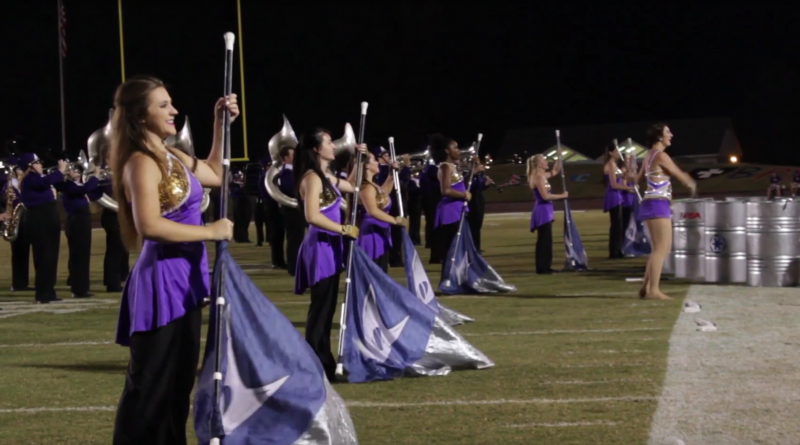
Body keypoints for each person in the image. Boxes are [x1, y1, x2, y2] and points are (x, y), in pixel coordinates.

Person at [110, 75, 235, 445]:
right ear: (139, 115)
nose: (173, 111)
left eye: (171, 103)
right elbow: (148, 225)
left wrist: (220, 124)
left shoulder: (172, 155)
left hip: (186, 280)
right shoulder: (140, 162)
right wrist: (211, 232)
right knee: (152, 390)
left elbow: (215, 173)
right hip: (161, 282)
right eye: (163, 105)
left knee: (178, 388)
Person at [293, 128, 362, 382]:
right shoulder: (312, 178)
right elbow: (312, 216)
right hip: (320, 247)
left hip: (330, 246)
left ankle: (323, 362)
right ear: (316, 149)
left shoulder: (327, 176)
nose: (334, 146)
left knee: (327, 307)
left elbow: (353, 187)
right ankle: (318, 365)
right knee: (321, 309)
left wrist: (359, 160)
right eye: (329, 143)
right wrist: (343, 229)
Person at [636, 123, 696, 300]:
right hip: (657, 203)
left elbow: (636, 180)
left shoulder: (649, 155)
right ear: (659, 137)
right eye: (668, 132)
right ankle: (654, 290)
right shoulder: (661, 155)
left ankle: (646, 287)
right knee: (662, 249)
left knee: (659, 248)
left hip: (652, 203)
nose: (671, 135)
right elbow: (679, 174)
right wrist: (691, 183)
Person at [18, 153, 66, 303]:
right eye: (38, 162)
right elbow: (45, 183)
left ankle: (49, 291)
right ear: (30, 166)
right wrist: (60, 170)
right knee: (44, 257)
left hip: (48, 218)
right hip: (39, 219)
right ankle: (42, 293)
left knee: (51, 257)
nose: (41, 165)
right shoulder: (29, 179)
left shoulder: (37, 178)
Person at [429, 134, 471, 281]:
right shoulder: (446, 167)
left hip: (457, 209)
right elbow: (445, 190)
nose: (458, 151)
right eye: (455, 147)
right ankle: (447, 281)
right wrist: (463, 195)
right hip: (450, 211)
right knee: (451, 249)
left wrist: (473, 171)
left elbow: (459, 185)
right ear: (447, 151)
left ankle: (458, 279)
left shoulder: (453, 166)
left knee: (459, 247)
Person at [356, 151, 407, 272]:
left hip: (379, 232)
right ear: (367, 165)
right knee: (374, 272)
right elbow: (372, 210)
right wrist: (395, 220)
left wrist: (391, 175)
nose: (377, 163)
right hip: (370, 235)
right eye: (374, 160)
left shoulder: (372, 185)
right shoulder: (366, 187)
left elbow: (383, 195)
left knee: (381, 270)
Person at [55, 164, 100, 298]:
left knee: (83, 255)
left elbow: (94, 193)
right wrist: (95, 176)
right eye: (71, 169)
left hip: (83, 220)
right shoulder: (68, 185)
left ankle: (81, 287)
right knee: (79, 255)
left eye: (75, 170)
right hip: (76, 221)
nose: (72, 171)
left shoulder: (80, 185)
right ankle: (79, 289)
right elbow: (85, 189)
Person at [528, 154, 567, 274]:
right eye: (544, 160)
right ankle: (542, 268)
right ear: (539, 164)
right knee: (544, 240)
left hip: (546, 211)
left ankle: (546, 266)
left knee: (547, 240)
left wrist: (559, 158)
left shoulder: (542, 176)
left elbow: (555, 171)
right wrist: (562, 195)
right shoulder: (538, 177)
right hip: (542, 211)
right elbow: (545, 196)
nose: (546, 161)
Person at [1, 162, 31, 291]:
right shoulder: (10, 184)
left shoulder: (26, 183)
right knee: (18, 252)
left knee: (25, 252)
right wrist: (7, 196)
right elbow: (4, 198)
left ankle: (23, 283)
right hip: (16, 218)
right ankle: (18, 283)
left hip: (26, 218)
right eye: (19, 169)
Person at [603, 145, 635, 259]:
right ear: (611, 153)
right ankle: (613, 252)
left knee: (620, 225)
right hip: (613, 196)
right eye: (616, 151)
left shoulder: (616, 165)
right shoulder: (610, 165)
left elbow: (622, 182)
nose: (618, 153)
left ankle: (619, 249)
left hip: (619, 196)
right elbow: (614, 184)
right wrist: (629, 189)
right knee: (616, 225)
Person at [278, 144, 304, 275]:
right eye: (293, 155)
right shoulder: (286, 173)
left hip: (295, 210)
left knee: (297, 239)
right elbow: (291, 190)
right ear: (285, 157)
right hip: (292, 211)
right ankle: (294, 268)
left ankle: (296, 266)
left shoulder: (292, 172)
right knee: (295, 240)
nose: (296, 157)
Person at [467, 155, 492, 253]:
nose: (479, 165)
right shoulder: (468, 174)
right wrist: (474, 172)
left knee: (477, 225)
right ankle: (472, 247)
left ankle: (476, 247)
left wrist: (486, 184)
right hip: (472, 200)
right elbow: (469, 187)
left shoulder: (478, 175)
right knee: (473, 225)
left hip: (479, 199)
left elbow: (479, 188)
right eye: (476, 163)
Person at [253, 154, 272, 247]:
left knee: (269, 222)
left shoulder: (271, 176)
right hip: (262, 202)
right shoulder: (263, 177)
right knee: (259, 222)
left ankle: (269, 239)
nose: (270, 167)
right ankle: (260, 240)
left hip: (268, 202)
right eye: (268, 166)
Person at [407, 170, 423, 245]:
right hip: (413, 205)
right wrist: (421, 190)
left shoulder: (417, 181)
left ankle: (416, 239)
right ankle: (413, 239)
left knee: (417, 223)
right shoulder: (411, 182)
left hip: (417, 205)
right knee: (414, 223)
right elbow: (413, 191)